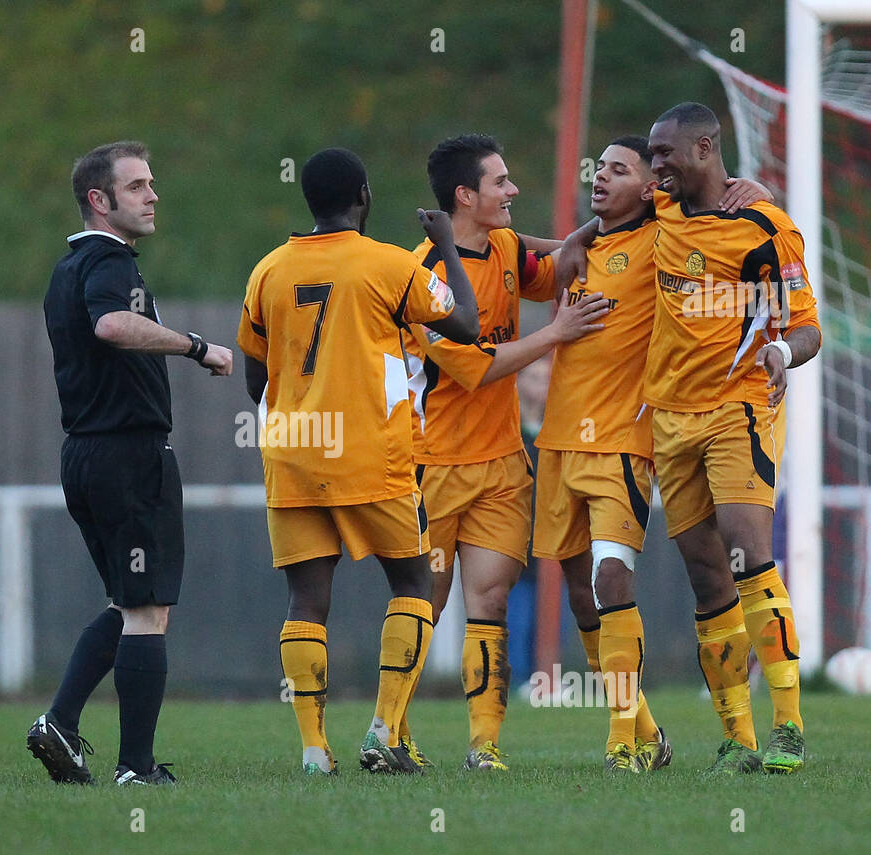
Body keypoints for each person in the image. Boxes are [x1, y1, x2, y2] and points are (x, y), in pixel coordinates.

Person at [237, 147, 479, 775]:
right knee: (413, 584)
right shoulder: (390, 266)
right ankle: (383, 731)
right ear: (364, 197)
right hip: (372, 455)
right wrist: (448, 245)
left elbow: (254, 379)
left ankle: (315, 750)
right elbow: (469, 325)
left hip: (292, 455)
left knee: (307, 601)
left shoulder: (268, 270)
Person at [27, 141, 234, 787]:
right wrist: (198, 346)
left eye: (151, 183)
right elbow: (113, 327)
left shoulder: (68, 268)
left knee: (127, 603)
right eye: (138, 185)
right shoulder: (110, 262)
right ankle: (135, 769)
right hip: (127, 455)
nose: (152, 196)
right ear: (100, 199)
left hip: (85, 455)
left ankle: (60, 722)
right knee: (146, 610)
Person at [398, 133, 607, 772]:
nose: (513, 191)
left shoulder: (509, 248)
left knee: (488, 604)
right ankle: (391, 733)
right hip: (431, 464)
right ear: (466, 195)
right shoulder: (425, 276)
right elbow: (476, 370)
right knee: (423, 604)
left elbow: (563, 266)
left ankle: (483, 747)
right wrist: (556, 333)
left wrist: (624, 213)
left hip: (500, 465)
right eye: (501, 182)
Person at [645, 103, 820, 774]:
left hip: (736, 407)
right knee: (705, 575)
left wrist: (783, 353)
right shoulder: (658, 212)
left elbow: (807, 326)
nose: (656, 165)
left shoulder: (763, 229)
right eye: (651, 156)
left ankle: (790, 728)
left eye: (666, 153)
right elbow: (599, 216)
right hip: (668, 416)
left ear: (705, 149)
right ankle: (737, 738)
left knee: (749, 554)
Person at [533, 136, 672, 773]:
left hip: (620, 441)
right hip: (557, 442)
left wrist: (752, 192)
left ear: (650, 188)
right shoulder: (582, 249)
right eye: (600, 167)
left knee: (611, 578)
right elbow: (540, 257)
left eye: (620, 170)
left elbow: (710, 205)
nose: (601, 176)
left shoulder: (665, 240)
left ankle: (621, 743)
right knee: (581, 595)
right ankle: (645, 730)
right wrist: (579, 236)